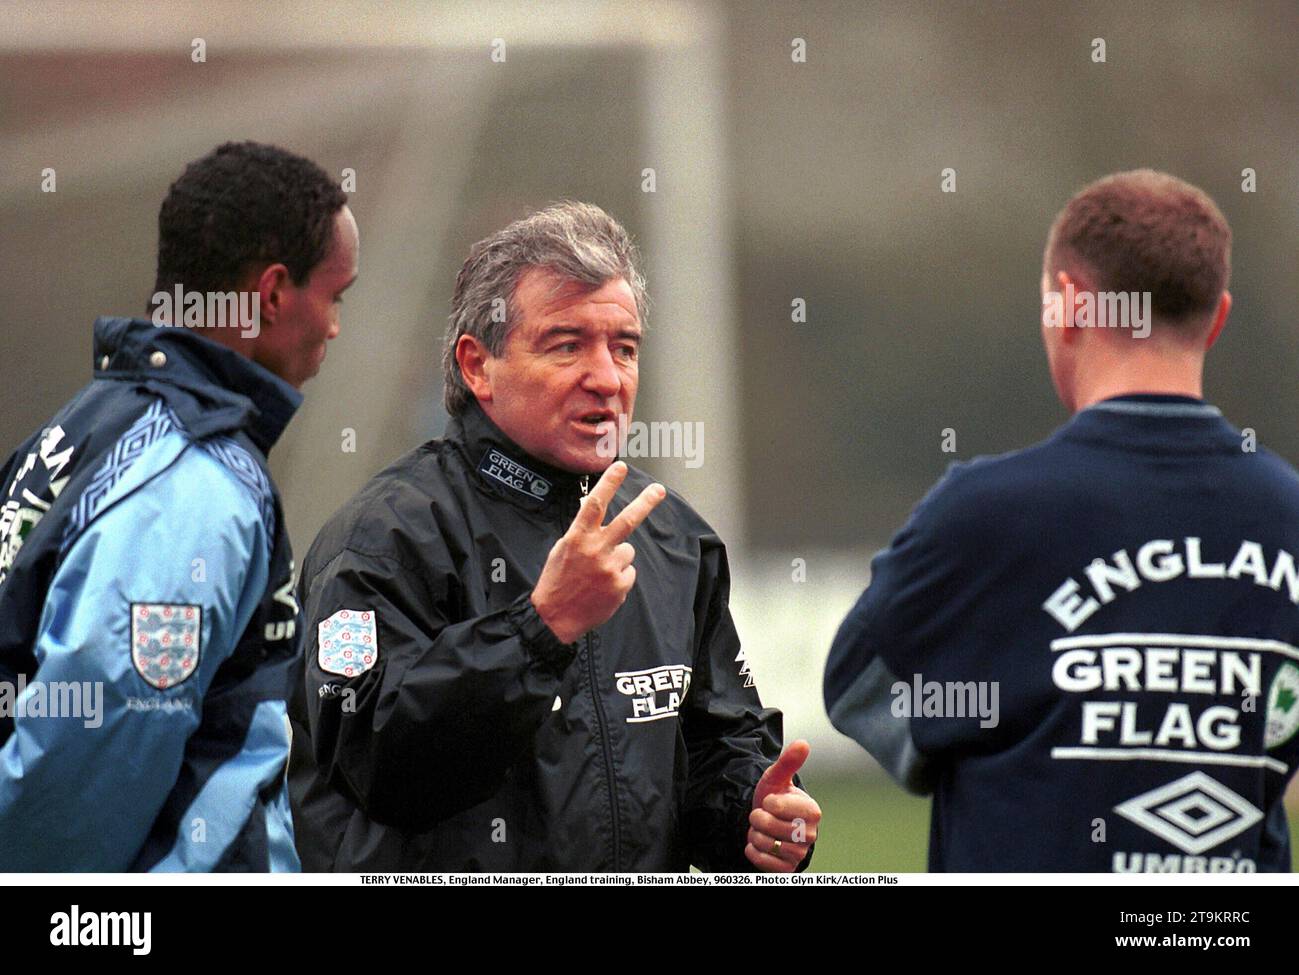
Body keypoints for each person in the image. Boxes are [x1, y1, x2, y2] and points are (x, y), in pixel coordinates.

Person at [289, 201, 819, 872]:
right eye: (567, 344)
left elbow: (719, 747)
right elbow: (377, 765)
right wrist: (540, 629)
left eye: (624, 346)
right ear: (478, 366)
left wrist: (755, 813)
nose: (607, 376)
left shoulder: (675, 538)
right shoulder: (380, 540)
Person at [824, 170, 1299, 872]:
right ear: (1219, 317)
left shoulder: (982, 516)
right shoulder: (1289, 516)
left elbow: (864, 690)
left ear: (1070, 303)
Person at [0, 141, 359, 870]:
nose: (335, 326)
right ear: (273, 292)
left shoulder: (84, 425)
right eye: (336, 295)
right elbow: (87, 757)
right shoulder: (191, 483)